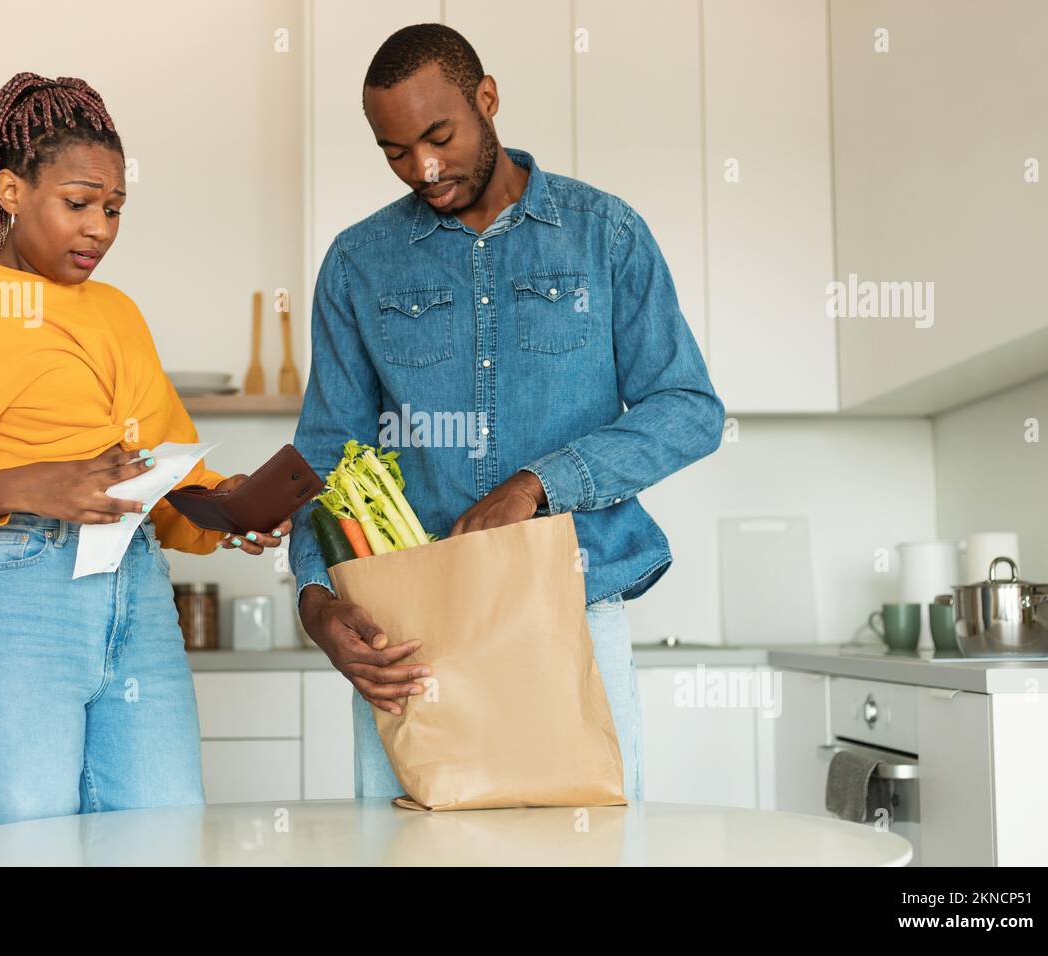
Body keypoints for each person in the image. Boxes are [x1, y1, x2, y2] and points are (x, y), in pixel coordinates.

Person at [289, 25, 726, 801]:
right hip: (414, 637)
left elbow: (689, 409)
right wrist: (316, 599)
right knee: (406, 855)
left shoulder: (606, 235)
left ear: (487, 100)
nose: (422, 168)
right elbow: (328, 452)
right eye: (394, 151)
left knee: (591, 851)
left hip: (576, 613)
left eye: (439, 135)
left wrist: (539, 483)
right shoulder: (358, 263)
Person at [0, 73, 287, 836]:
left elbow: (167, 467)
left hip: (141, 600)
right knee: (19, 841)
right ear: (12, 191)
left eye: (115, 209)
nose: (100, 229)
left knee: (164, 834)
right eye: (79, 203)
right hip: (18, 601)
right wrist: (24, 485)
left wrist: (225, 508)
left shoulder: (119, 313)